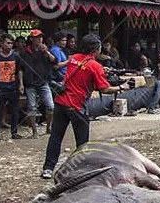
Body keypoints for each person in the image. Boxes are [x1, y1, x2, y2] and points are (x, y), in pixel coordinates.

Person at [42, 33, 134, 178]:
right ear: (95, 49)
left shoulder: (73, 58)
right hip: (77, 106)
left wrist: (101, 71)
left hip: (61, 102)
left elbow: (80, 70)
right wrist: (122, 87)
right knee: (82, 143)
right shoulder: (95, 66)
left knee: (55, 137)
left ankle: (48, 169)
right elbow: (105, 89)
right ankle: (81, 170)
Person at [0, 34, 25, 143]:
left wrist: (21, 84)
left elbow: (19, 71)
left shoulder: (16, 56)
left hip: (13, 87)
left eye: (11, 43)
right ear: (2, 44)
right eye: (8, 43)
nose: (10, 45)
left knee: (15, 111)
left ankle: (14, 132)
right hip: (1, 88)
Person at [21, 30, 57, 137]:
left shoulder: (45, 51)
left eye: (41, 37)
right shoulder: (24, 52)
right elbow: (20, 69)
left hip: (43, 82)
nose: (39, 39)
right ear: (31, 39)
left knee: (50, 106)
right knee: (31, 107)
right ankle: (34, 131)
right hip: (30, 83)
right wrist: (21, 84)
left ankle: (48, 127)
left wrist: (47, 52)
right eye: (37, 37)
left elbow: (55, 61)